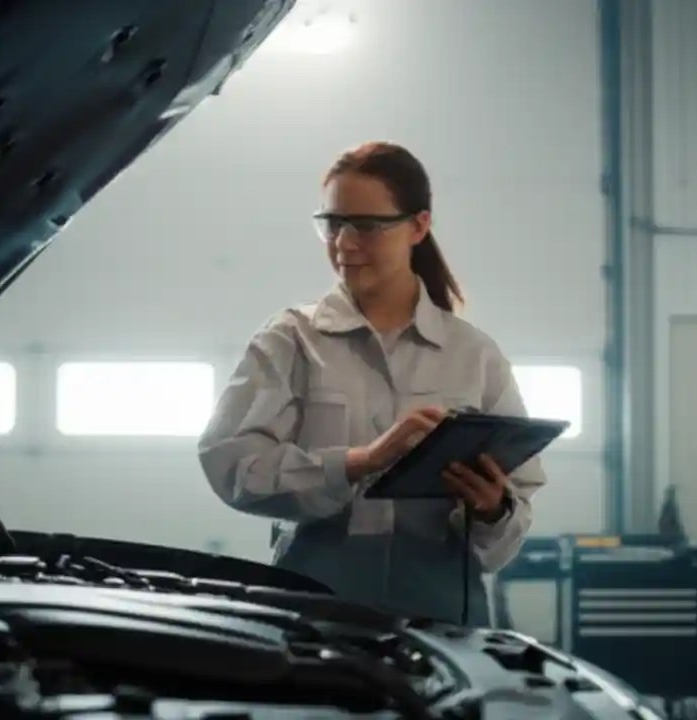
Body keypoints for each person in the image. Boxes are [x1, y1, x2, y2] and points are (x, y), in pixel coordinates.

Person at [197, 141, 547, 625]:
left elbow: (515, 511)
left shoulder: (474, 356)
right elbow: (232, 466)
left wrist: (492, 509)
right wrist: (362, 461)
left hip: (443, 620)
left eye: (365, 225)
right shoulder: (291, 340)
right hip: (315, 613)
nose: (343, 243)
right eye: (332, 223)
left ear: (418, 226)